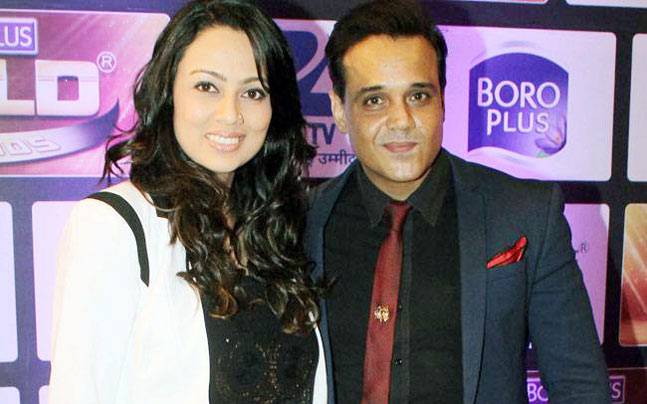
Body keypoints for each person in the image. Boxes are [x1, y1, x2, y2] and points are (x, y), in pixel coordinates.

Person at [306, 0, 611, 403]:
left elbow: (581, 387)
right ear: (339, 110)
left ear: (443, 100)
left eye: (418, 96)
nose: (401, 120)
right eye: (374, 100)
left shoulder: (526, 215)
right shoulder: (303, 222)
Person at [48, 1, 327, 403]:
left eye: (252, 92)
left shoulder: (275, 233)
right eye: (207, 87)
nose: (230, 114)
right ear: (169, 92)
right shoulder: (114, 226)